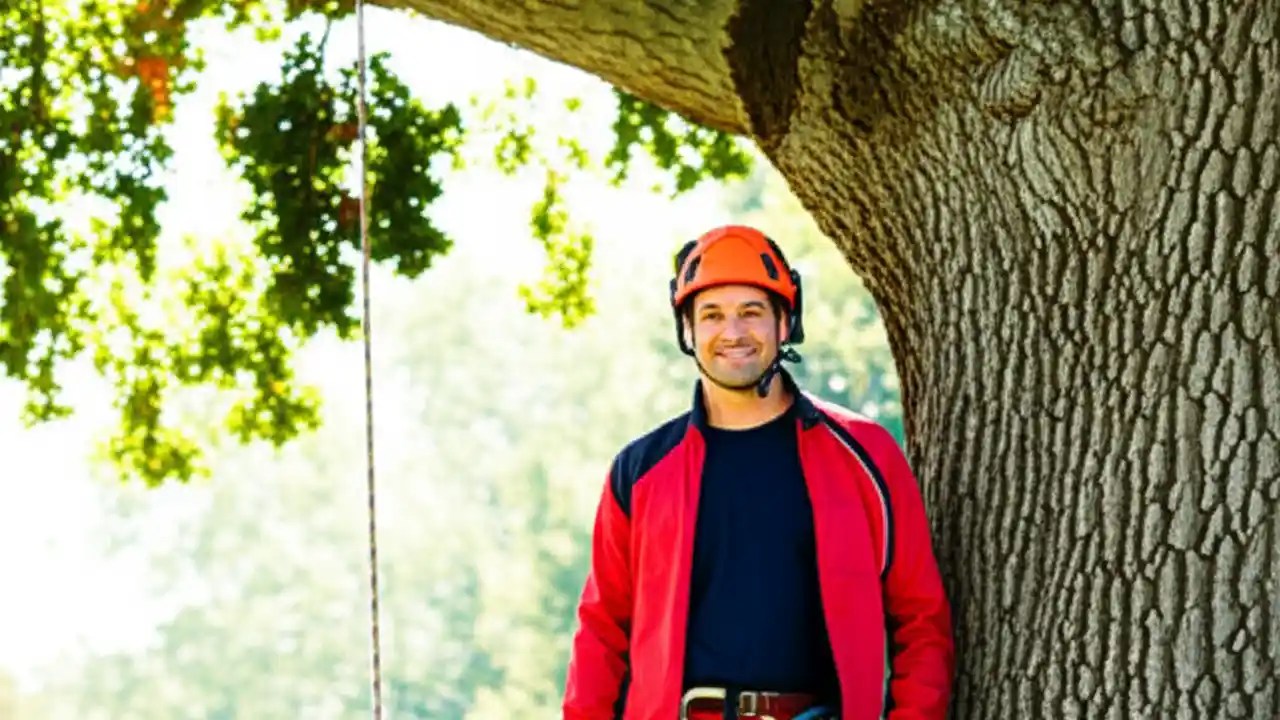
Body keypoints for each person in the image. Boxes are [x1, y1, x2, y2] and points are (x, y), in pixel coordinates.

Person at [561, 225, 954, 720]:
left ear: (784, 323)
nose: (733, 332)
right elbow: (601, 634)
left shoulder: (865, 456)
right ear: (688, 331)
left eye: (751, 312)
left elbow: (921, 622)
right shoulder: (639, 473)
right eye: (711, 314)